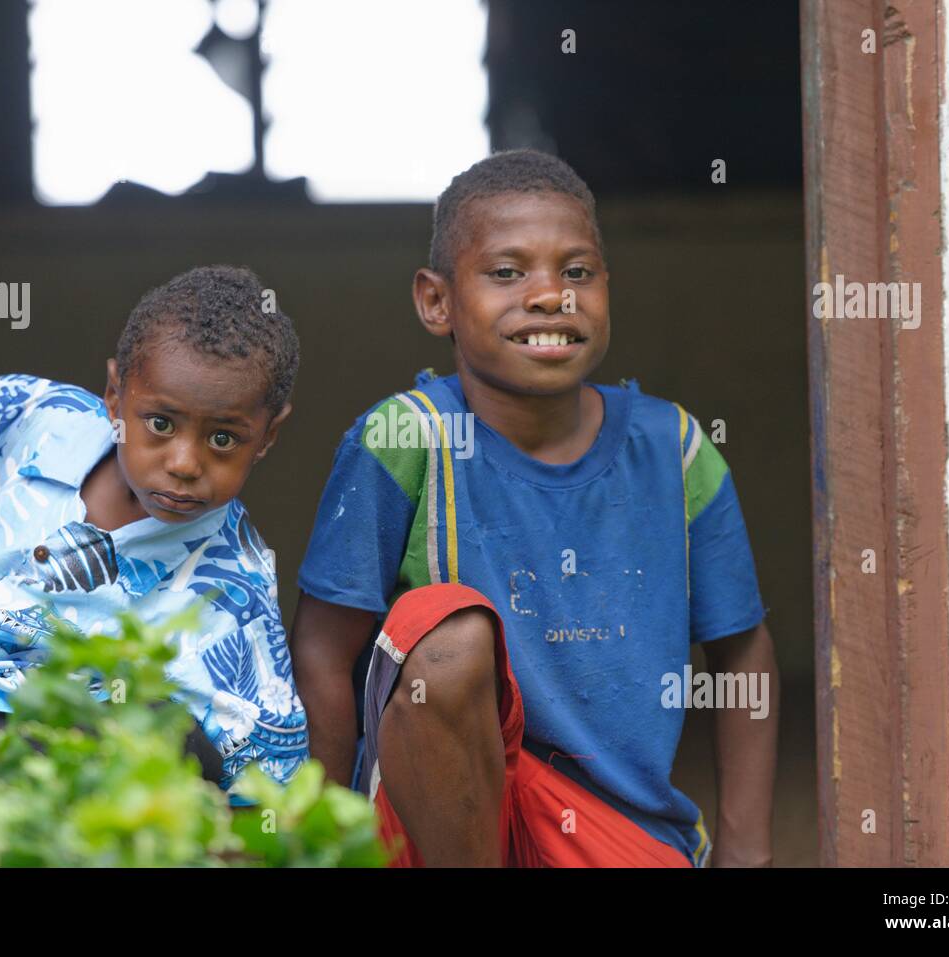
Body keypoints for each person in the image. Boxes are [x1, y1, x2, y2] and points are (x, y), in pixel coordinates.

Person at [292, 150, 778, 867]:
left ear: (607, 288)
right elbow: (322, 651)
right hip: (435, 829)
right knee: (446, 635)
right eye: (507, 271)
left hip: (618, 834)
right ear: (437, 301)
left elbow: (742, 653)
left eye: (577, 272)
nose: (551, 295)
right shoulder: (406, 439)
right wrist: (319, 848)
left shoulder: (672, 448)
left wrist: (747, 854)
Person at [0, 265, 307, 792]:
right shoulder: (48, 423)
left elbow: (266, 782)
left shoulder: (236, 588)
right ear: (115, 395)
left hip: (66, 777)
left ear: (267, 435)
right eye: (160, 424)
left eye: (223, 439)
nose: (186, 463)